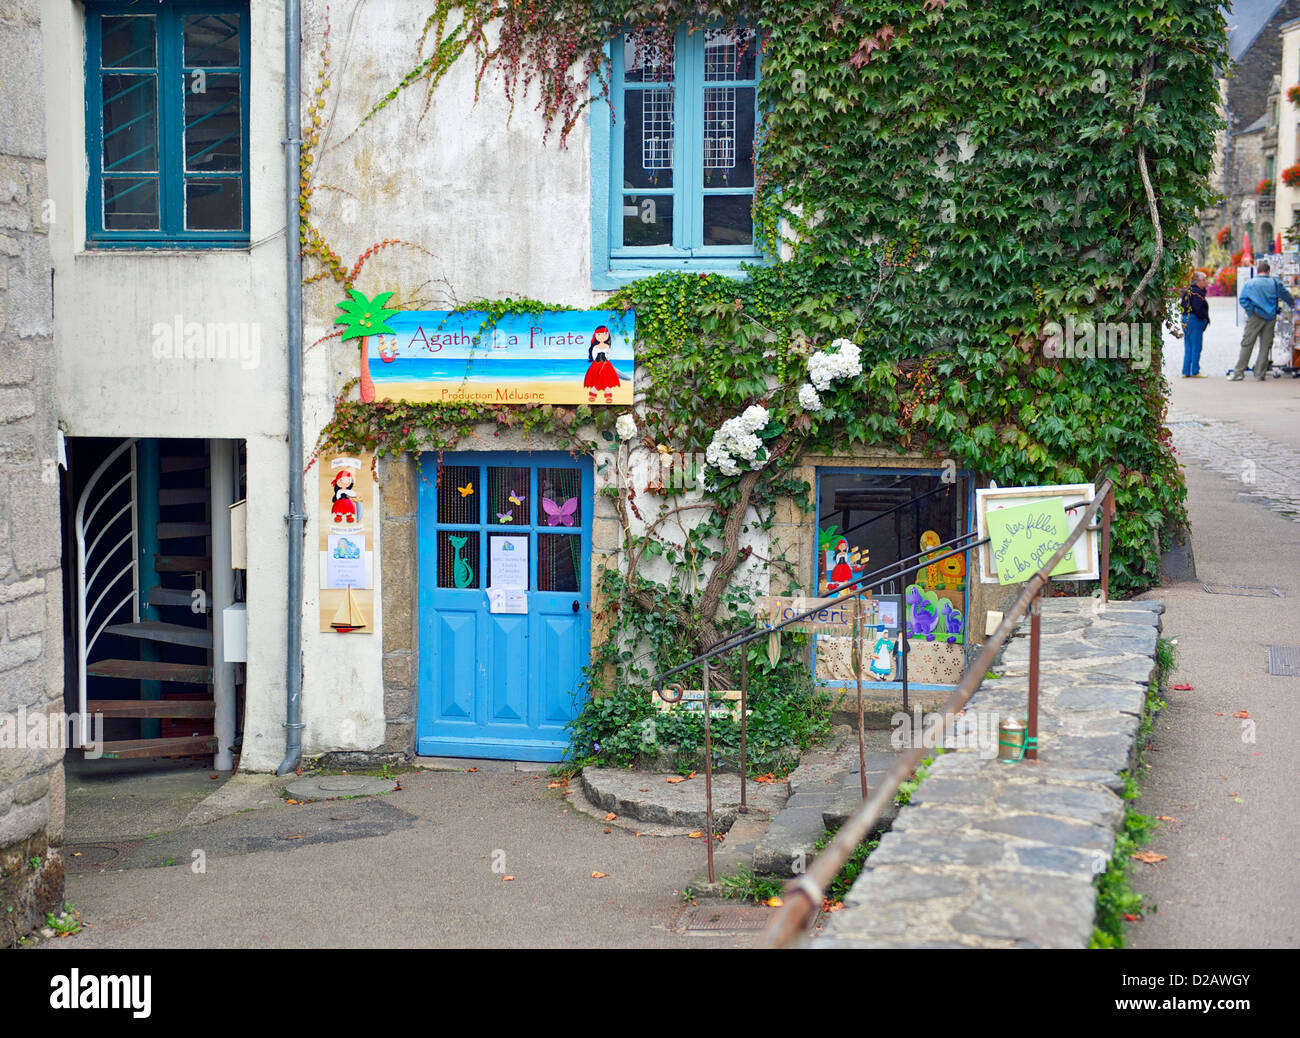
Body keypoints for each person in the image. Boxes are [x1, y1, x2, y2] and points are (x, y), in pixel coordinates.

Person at [1232, 260, 1294, 380]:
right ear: (1268, 271)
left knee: (1247, 343)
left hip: (1255, 316)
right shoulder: (1274, 282)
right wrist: (1293, 303)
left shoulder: (1250, 283)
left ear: (1258, 271)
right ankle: (1260, 373)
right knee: (1265, 345)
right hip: (1270, 317)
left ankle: (1239, 372)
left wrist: (1251, 311)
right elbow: (1285, 295)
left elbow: (1243, 299)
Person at [1180, 272, 1209, 377]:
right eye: (1204, 279)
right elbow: (1198, 308)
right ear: (1198, 281)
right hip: (1194, 320)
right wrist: (1204, 318)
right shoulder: (1197, 293)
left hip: (1184, 319)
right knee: (1196, 346)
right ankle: (1195, 371)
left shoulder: (1188, 291)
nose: (1206, 282)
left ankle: (1185, 371)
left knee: (1188, 346)